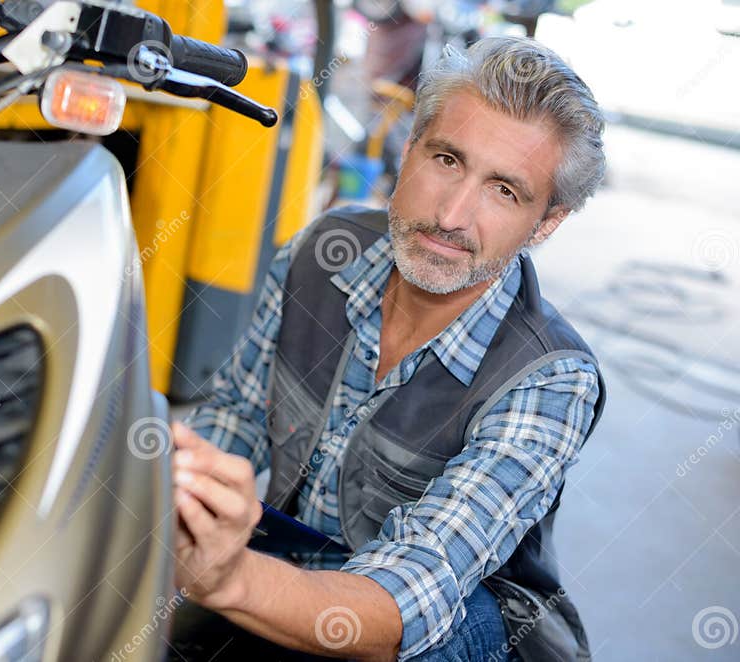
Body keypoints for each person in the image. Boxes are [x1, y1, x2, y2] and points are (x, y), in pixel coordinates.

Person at [166, 36, 607, 662]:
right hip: (304, 551)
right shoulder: (325, 250)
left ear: (545, 224)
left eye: (504, 191)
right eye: (448, 159)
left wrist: (228, 579)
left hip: (452, 620)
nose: (453, 215)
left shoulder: (551, 379)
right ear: (409, 147)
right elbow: (233, 413)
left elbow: (413, 594)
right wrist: (181, 498)